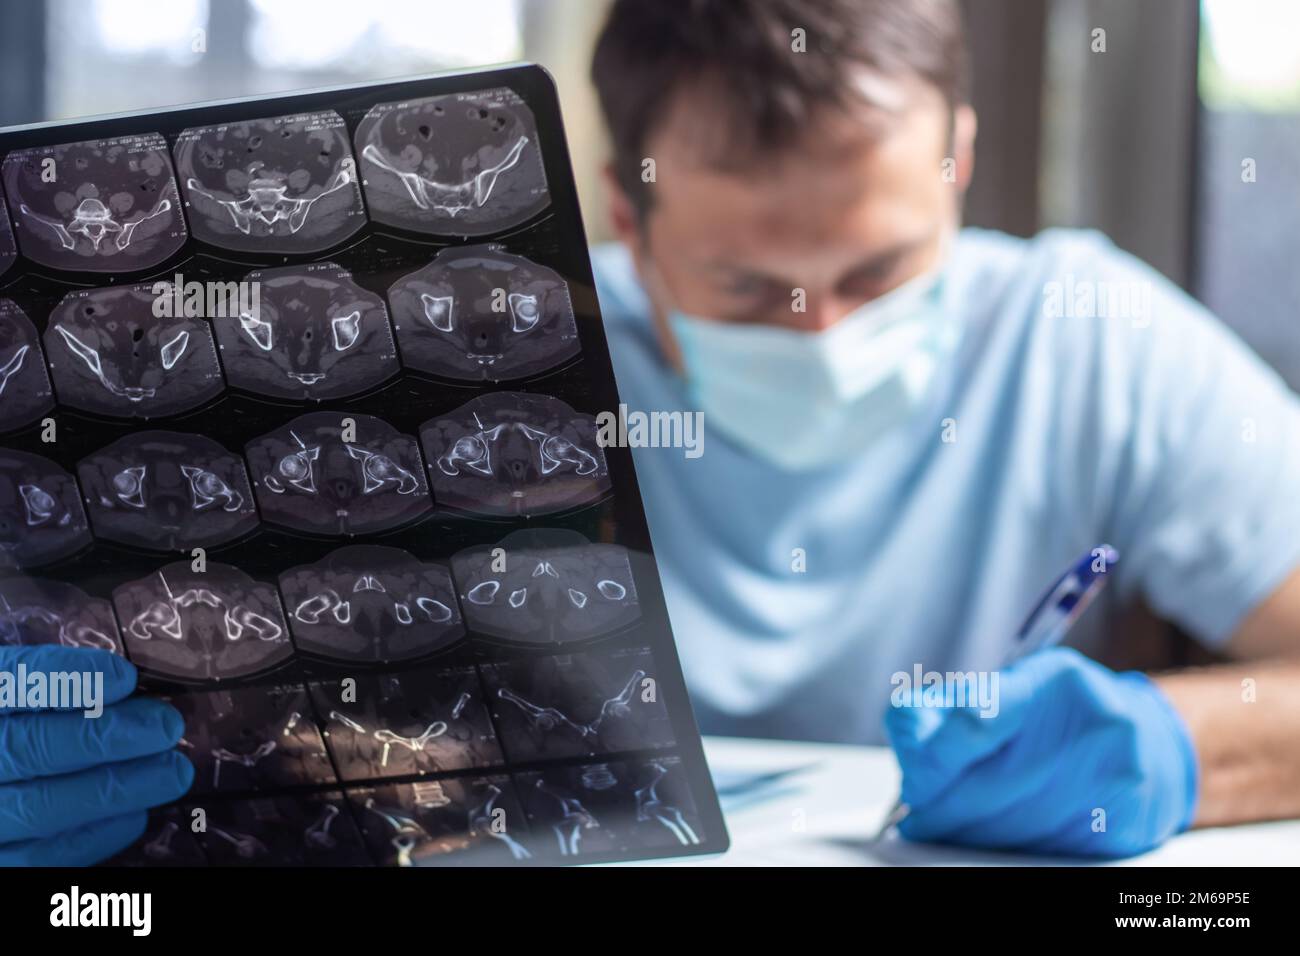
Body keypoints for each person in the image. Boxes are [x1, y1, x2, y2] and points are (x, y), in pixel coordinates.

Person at [585, 0, 1300, 856]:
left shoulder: (1086, 336)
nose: (826, 339)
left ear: (956, 164)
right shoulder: (526, 364)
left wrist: (1179, 750)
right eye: (746, 288)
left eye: (879, 271)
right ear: (631, 223)